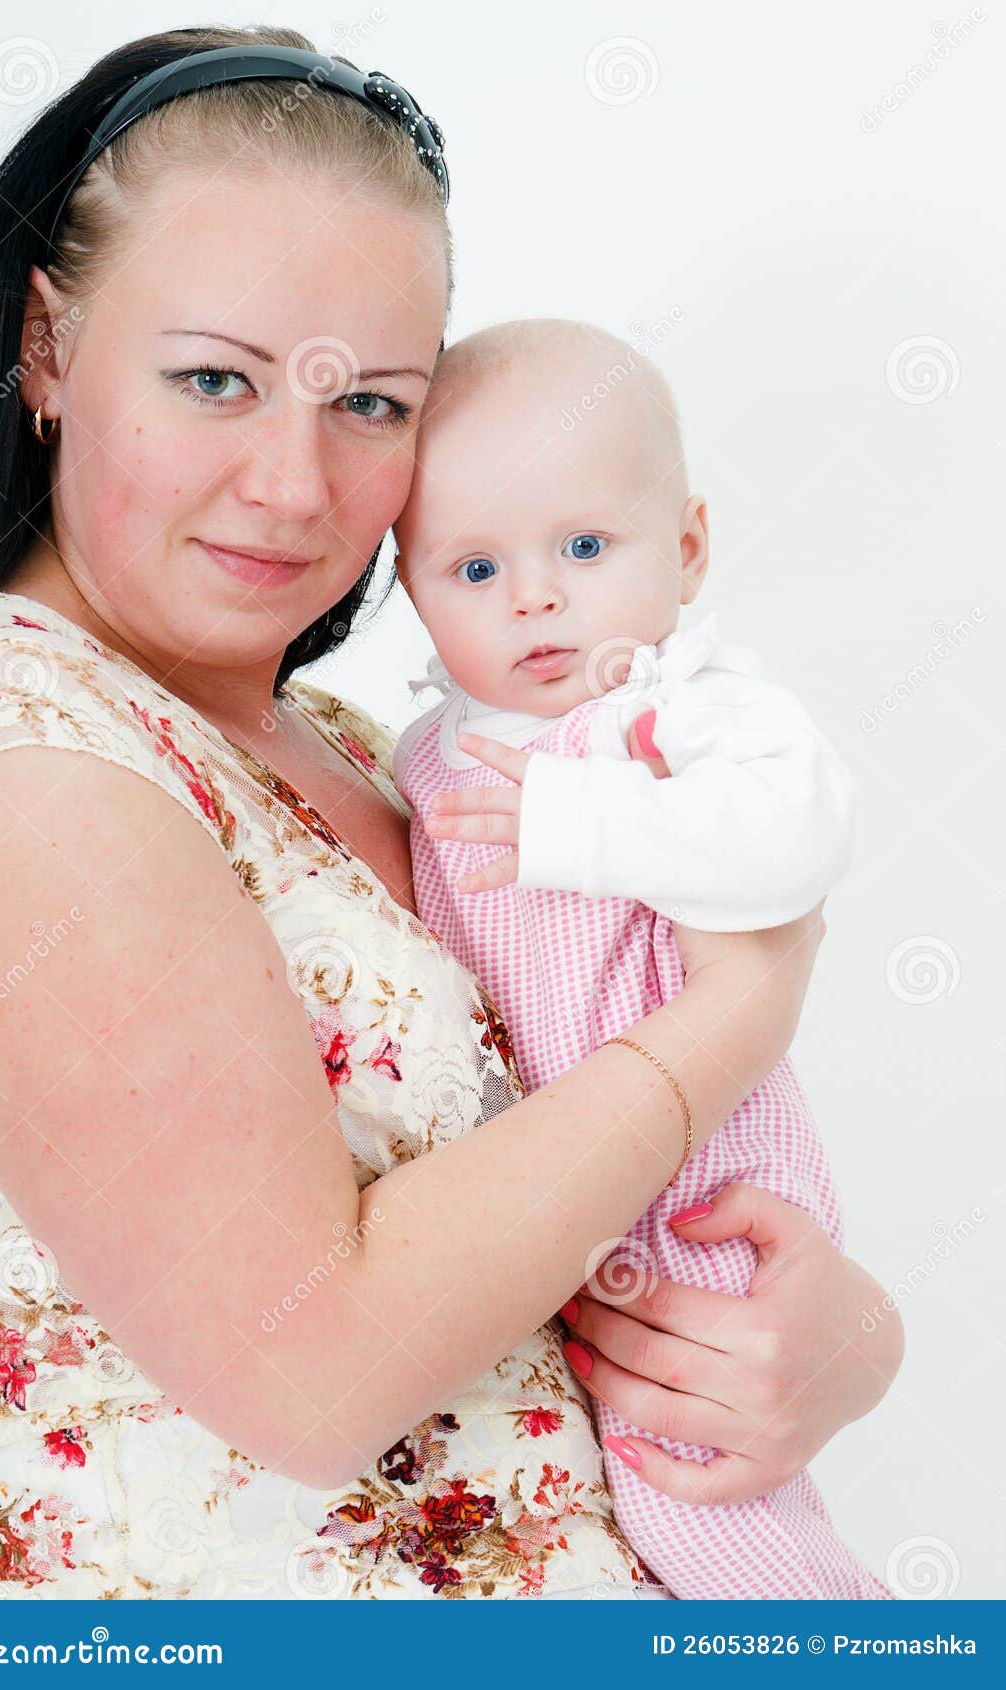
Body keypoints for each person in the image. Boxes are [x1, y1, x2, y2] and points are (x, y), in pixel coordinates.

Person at [0, 24, 902, 1600]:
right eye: (212, 380)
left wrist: (827, 1340)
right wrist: (743, 997)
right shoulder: (24, 759)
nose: (293, 484)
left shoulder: (364, 746)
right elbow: (304, 1373)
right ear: (46, 351)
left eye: (371, 404)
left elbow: (565, 1203)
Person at [388, 318, 889, 1597]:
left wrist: (584, 819)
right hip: (547, 1204)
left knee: (702, 1490)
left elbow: (800, 832)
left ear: (688, 546)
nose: (536, 597)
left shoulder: (684, 709)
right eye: (473, 567)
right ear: (406, 585)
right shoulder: (426, 755)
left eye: (584, 547)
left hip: (701, 1193)